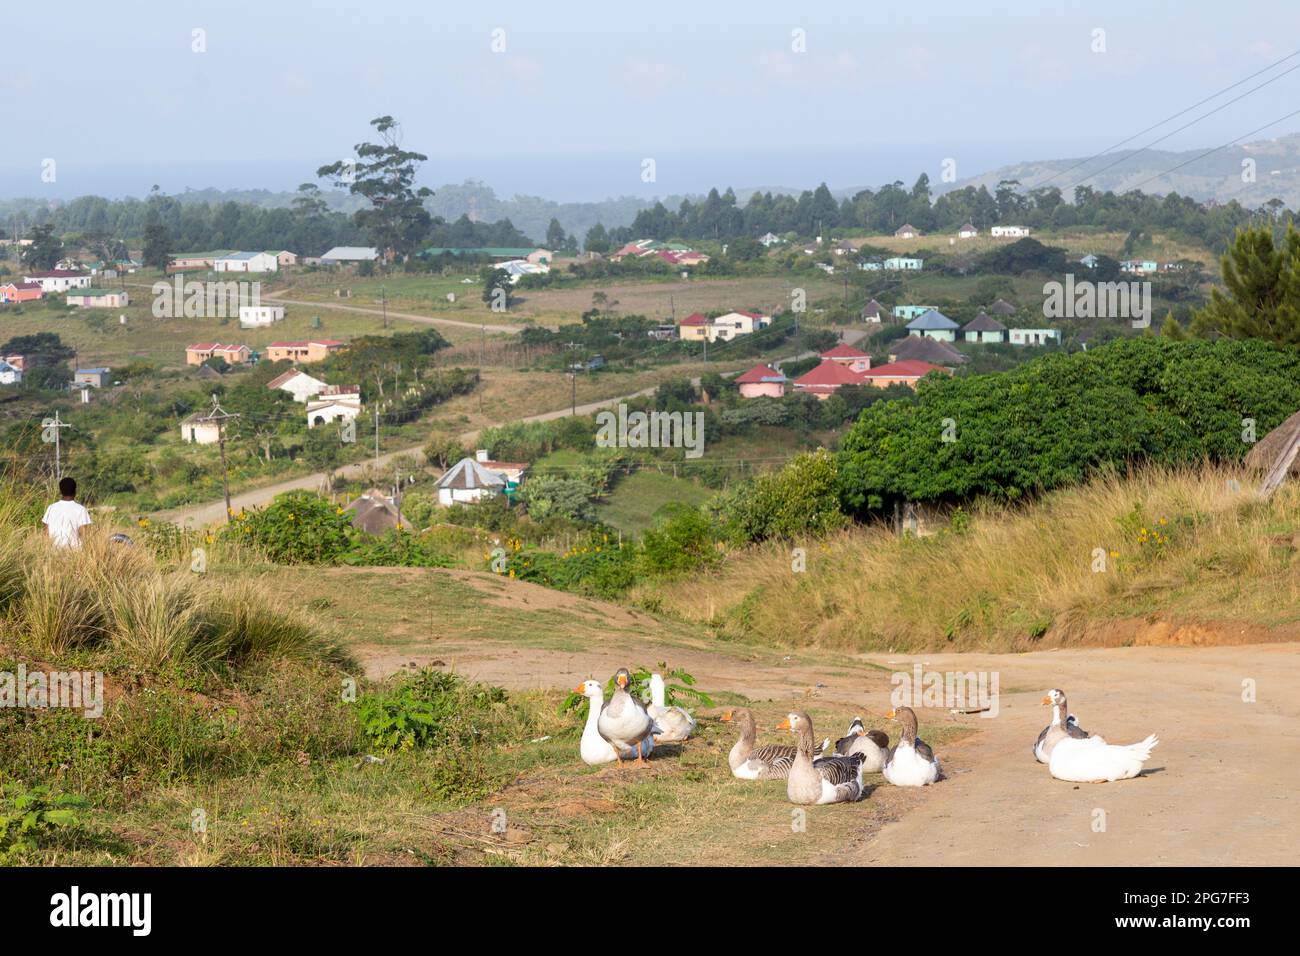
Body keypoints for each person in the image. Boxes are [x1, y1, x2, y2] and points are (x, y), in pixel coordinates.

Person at [42, 476, 92, 549]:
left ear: (60, 491)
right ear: (75, 491)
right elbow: (85, 536)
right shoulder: (81, 509)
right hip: (75, 553)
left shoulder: (51, 508)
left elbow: (45, 533)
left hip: (53, 552)